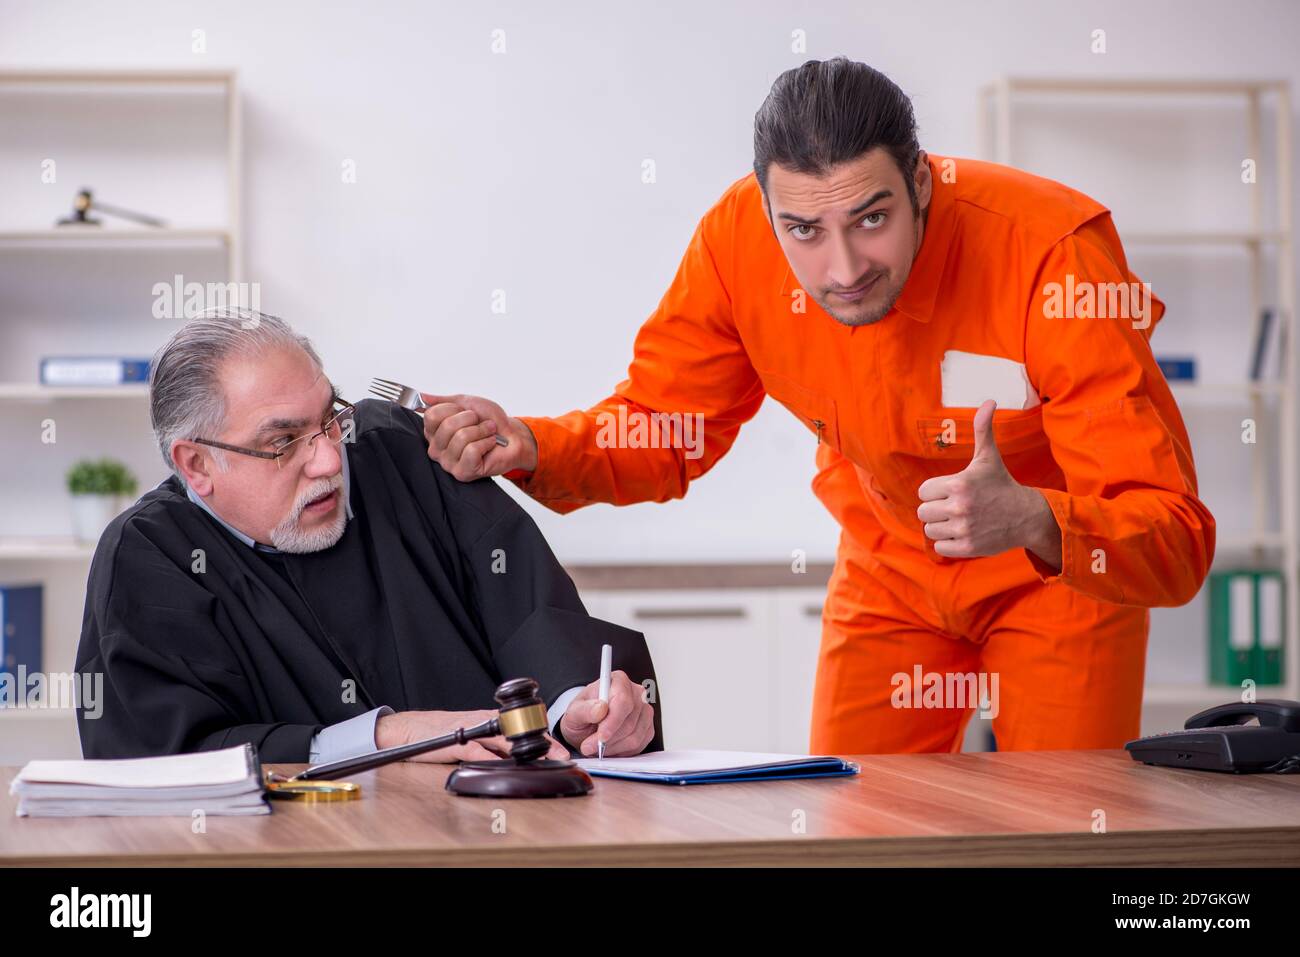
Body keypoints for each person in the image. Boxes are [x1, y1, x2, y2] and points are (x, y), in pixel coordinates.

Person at [418, 58, 1215, 754]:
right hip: (890, 572)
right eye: (802, 228)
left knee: (1064, 831)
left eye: (872, 218)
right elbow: (664, 428)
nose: (842, 268)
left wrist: (1036, 518)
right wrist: (529, 442)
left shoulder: (1050, 253)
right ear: (767, 212)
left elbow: (1173, 535)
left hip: (1058, 576)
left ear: (924, 183)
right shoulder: (736, 243)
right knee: (856, 829)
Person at [76, 309, 661, 764]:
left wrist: (579, 709)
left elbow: (530, 612)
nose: (329, 459)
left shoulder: (403, 452)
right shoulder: (148, 556)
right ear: (197, 465)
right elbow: (167, 765)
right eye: (284, 442)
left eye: (331, 417)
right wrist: (389, 736)